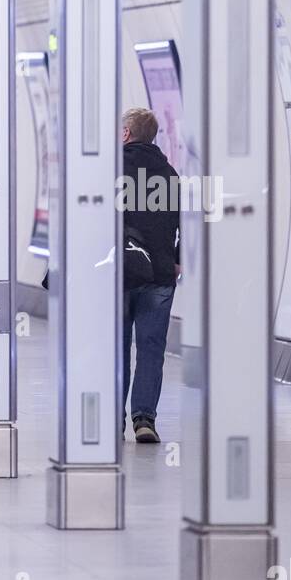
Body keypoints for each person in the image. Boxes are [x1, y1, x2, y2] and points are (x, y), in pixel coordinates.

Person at [121, 106, 179, 444]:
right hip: (159, 273)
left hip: (117, 273)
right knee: (151, 347)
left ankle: (114, 420)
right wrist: (178, 258)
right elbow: (182, 221)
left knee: (116, 347)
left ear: (126, 134)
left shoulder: (109, 171)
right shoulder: (169, 173)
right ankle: (145, 419)